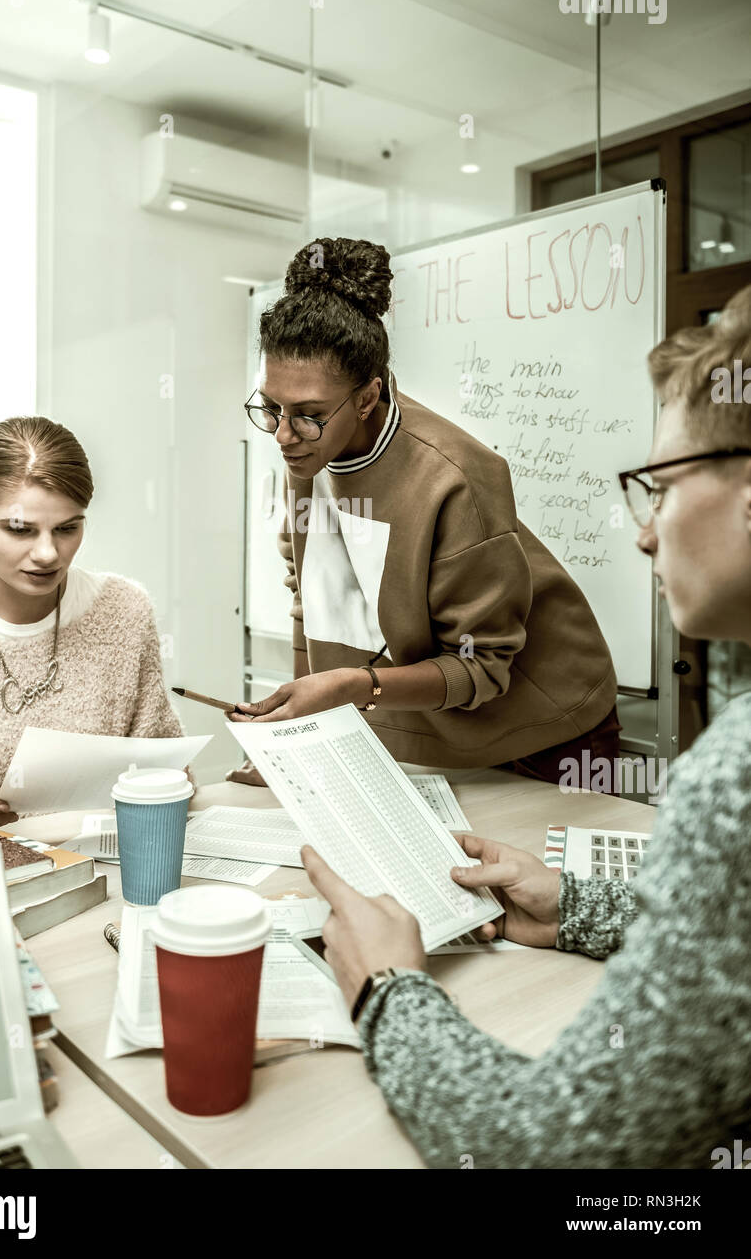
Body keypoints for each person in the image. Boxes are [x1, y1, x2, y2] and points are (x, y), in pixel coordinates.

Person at [300, 286, 751, 1168]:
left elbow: (555, 1146)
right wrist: (579, 905)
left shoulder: (734, 772)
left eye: (660, 486)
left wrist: (388, 988)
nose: (645, 536)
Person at [230, 236, 619, 785]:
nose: (284, 434)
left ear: (367, 398)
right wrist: (291, 733)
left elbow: (481, 666)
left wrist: (349, 687)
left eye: (309, 413)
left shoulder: (455, 476)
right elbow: (309, 597)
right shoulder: (307, 452)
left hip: (542, 726)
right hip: (409, 714)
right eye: (271, 408)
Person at [0, 416, 186, 830]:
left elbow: (166, 771)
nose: (48, 553)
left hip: (110, 876)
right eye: (20, 530)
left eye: (67, 528)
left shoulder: (124, 611)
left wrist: (172, 781)